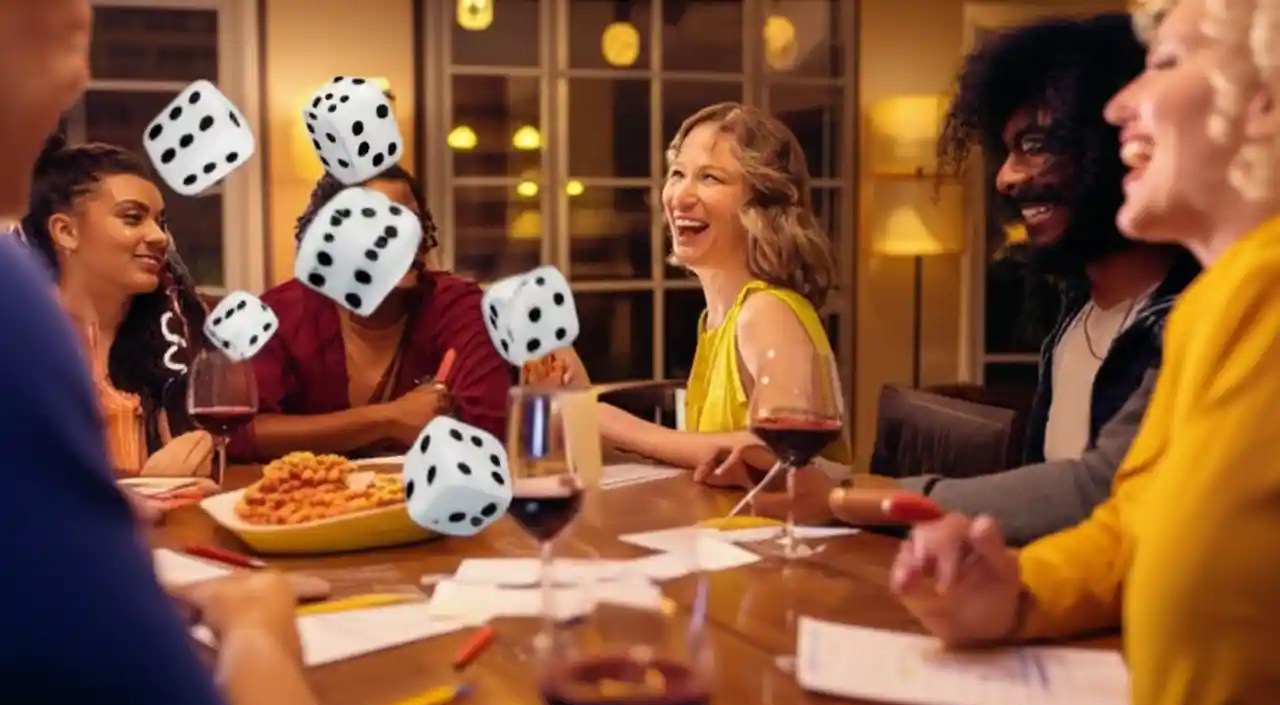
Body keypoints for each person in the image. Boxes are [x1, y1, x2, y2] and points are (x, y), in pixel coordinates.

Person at [893, 0, 1280, 705]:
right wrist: (1016, 593)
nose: (1122, 105)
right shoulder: (1213, 308)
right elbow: (1125, 522)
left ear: (1266, 103)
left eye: (1165, 63)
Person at [717, 14, 1200, 545]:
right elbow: (1036, 496)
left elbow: (1093, 494)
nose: (1006, 177)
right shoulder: (1078, 313)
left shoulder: (1190, 318)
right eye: (1007, 149)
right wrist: (828, 482)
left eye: (1036, 145)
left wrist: (841, 499)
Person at [0, 2, 322, 705]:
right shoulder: (18, 316)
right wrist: (256, 626)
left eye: (160, 221)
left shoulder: (182, 328)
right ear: (64, 230)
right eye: (61, 31)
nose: (81, 73)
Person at [558, 102, 851, 470]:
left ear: (761, 204)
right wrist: (580, 404)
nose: (679, 196)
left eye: (710, 178)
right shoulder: (717, 319)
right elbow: (695, 459)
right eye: (678, 173)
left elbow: (780, 459)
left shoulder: (767, 312)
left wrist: (609, 421)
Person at [228, 165, 510, 461]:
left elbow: (488, 431)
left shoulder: (456, 306)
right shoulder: (282, 312)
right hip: (309, 500)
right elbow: (237, 432)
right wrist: (387, 419)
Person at [23, 137, 214, 478]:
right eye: (132, 218)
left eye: (161, 222)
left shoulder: (174, 325)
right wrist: (147, 488)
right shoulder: (20, 337)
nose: (160, 237)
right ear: (66, 231)